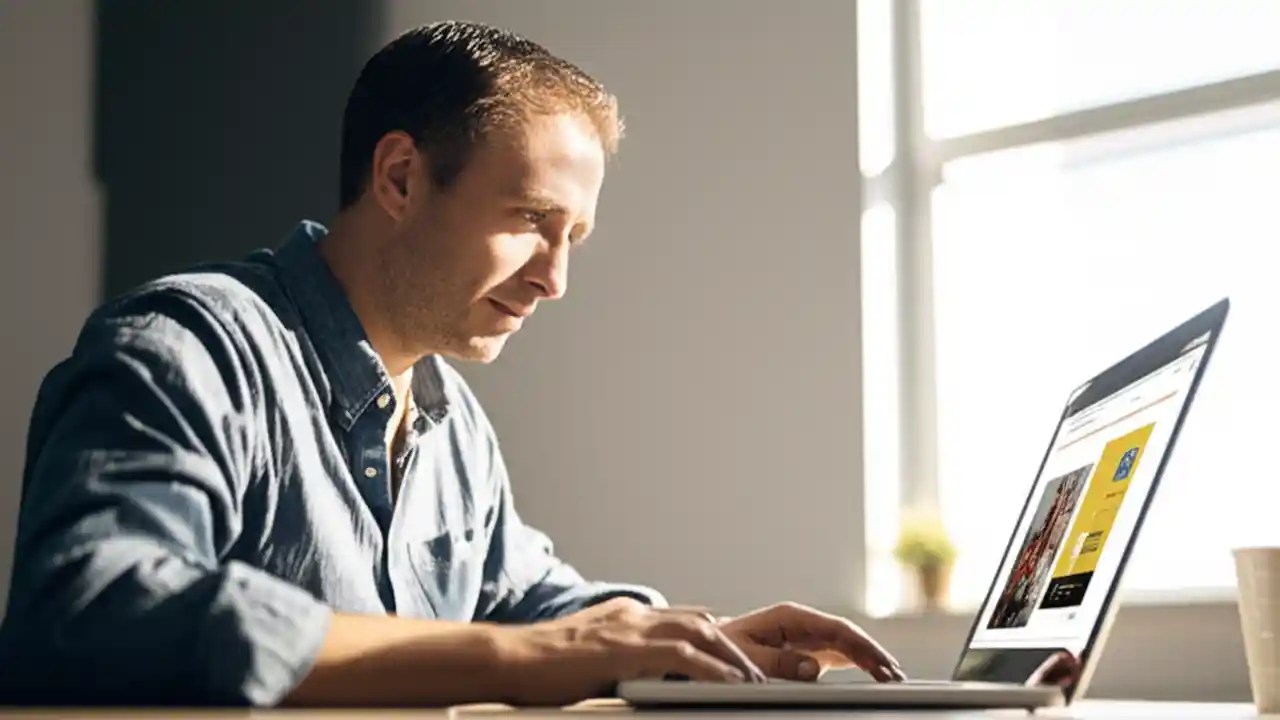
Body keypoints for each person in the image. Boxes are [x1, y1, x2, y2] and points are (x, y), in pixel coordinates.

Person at [0, 20, 1075, 707]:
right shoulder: (187, 350)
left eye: (576, 240)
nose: (554, 279)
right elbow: (91, 608)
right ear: (400, 178)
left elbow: (534, 601)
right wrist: (505, 661)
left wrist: (690, 639)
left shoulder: (450, 423)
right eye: (528, 220)